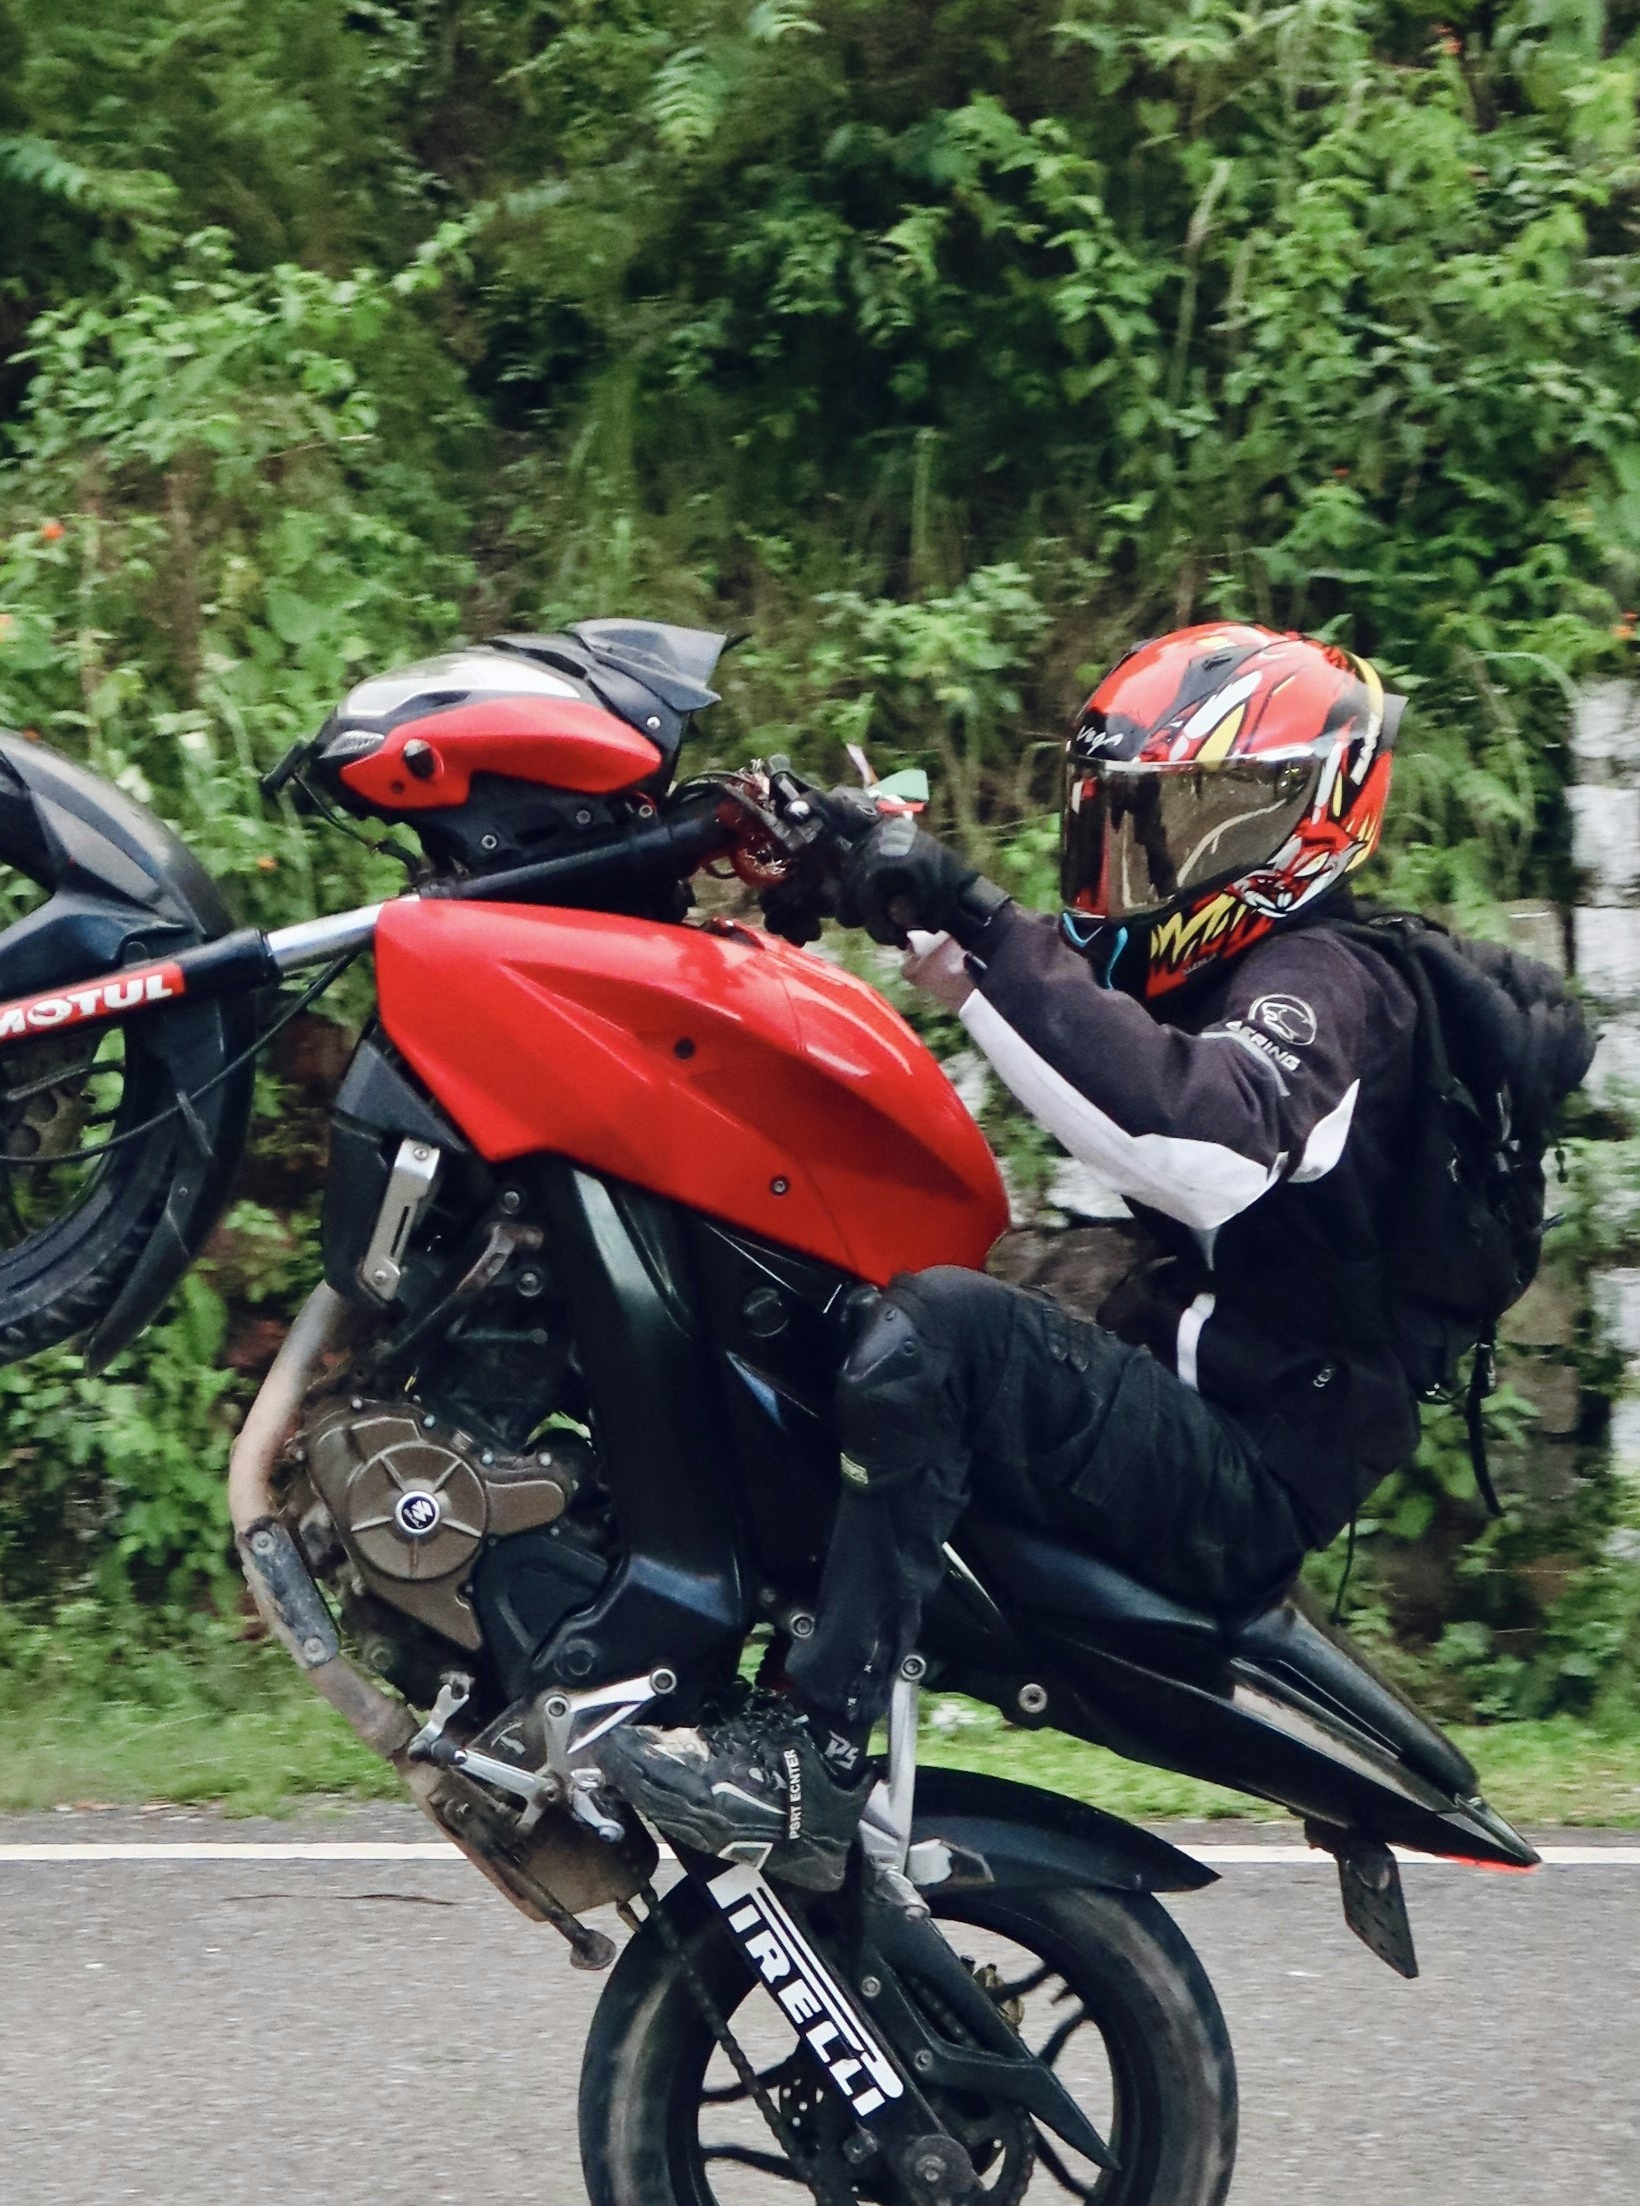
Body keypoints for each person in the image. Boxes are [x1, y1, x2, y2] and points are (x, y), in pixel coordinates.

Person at [612, 620, 1439, 1887]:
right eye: (1136, 815)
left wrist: (969, 913)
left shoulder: (1329, 981)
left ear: (1300, 816)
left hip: (1245, 1474)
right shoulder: (1251, 965)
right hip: (1198, 1418)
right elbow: (1073, 1017)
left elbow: (1196, 1140)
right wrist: (893, 900)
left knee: (941, 1332)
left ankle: (809, 1753)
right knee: (827, 1309)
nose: (1150, 849)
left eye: (1192, 815)